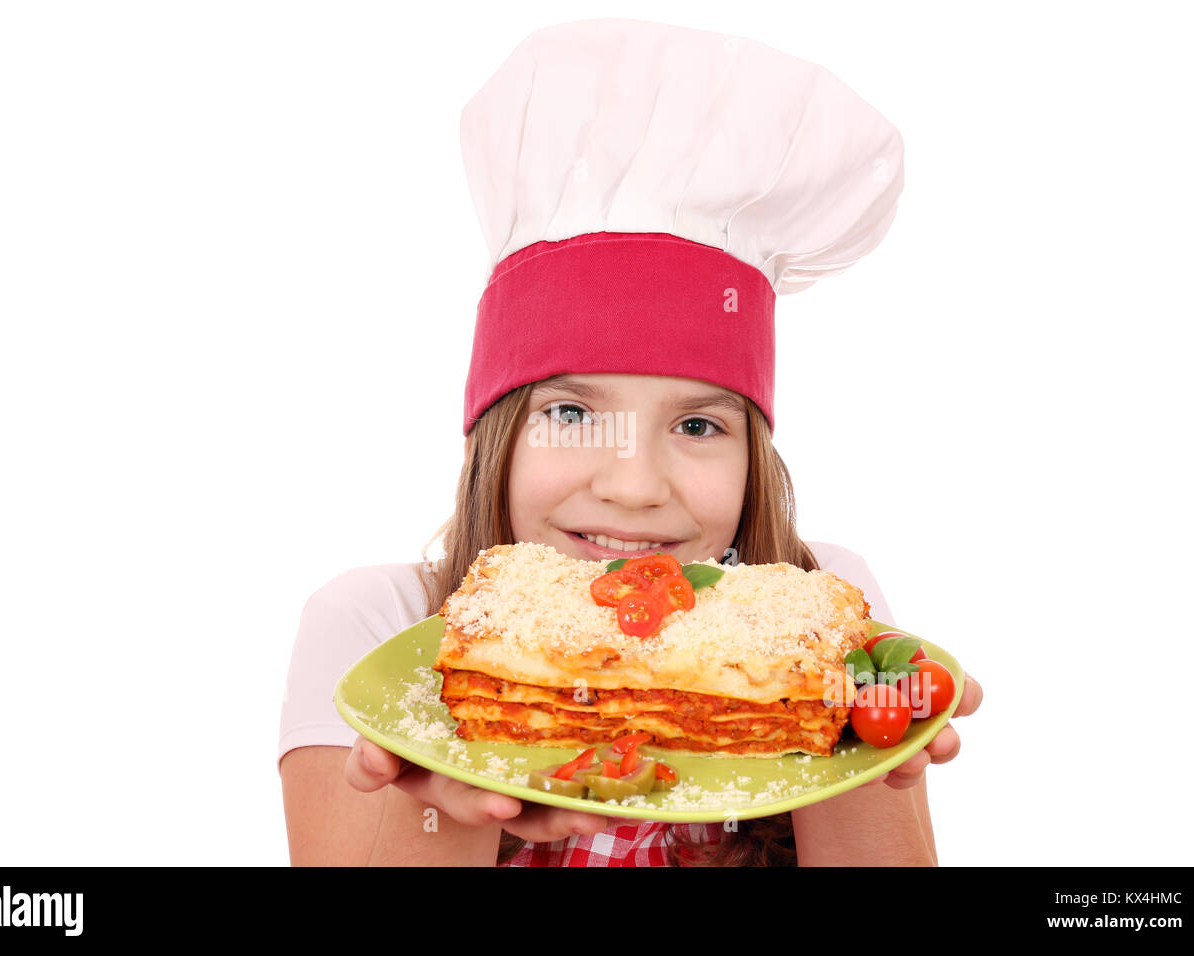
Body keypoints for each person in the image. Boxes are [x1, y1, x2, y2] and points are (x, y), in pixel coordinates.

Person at [278, 18, 983, 866]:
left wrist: (857, 740)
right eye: (572, 415)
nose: (635, 486)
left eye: (696, 426)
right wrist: (456, 795)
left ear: (754, 460)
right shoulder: (373, 628)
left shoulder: (824, 611)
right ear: (494, 435)